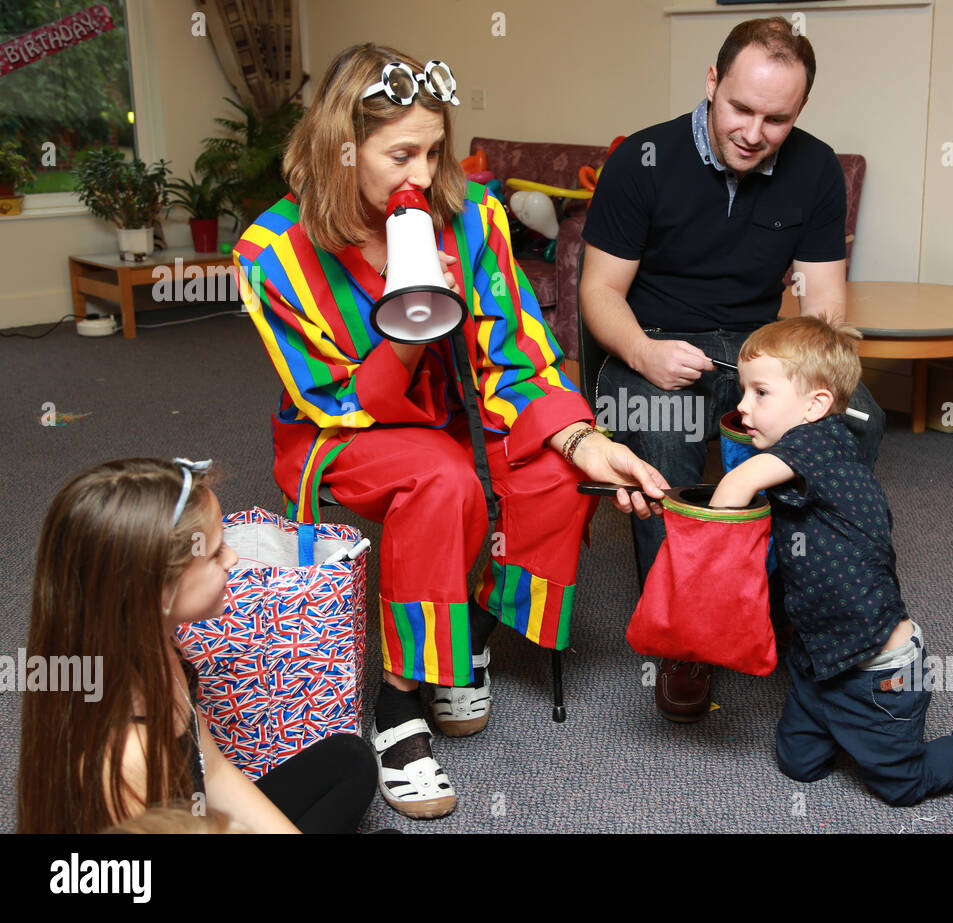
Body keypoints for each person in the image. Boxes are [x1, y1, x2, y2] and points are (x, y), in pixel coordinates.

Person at [234, 44, 667, 819]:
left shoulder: (470, 216)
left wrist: (583, 439)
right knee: (444, 478)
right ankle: (399, 702)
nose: (425, 175)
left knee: (551, 467)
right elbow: (338, 399)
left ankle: (466, 623)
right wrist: (409, 317)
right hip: (339, 430)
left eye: (435, 150)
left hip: (444, 412)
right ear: (342, 148)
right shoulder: (272, 253)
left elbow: (518, 354)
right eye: (401, 153)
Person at [581, 17, 884, 720]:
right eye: (741, 108)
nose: (754, 131)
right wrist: (643, 353)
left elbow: (824, 302)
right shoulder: (642, 159)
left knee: (861, 419)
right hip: (651, 341)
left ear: (799, 112)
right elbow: (598, 293)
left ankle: (793, 587)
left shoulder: (814, 169)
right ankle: (684, 636)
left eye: (776, 118)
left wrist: (808, 379)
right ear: (712, 83)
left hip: (758, 348)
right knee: (660, 437)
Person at [709, 317, 953, 806]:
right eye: (743, 391)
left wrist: (699, 537)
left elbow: (738, 486)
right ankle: (833, 720)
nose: (742, 406)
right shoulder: (812, 444)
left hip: (879, 672)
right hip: (817, 658)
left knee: (901, 785)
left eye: (760, 392)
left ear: (816, 405)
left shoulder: (816, 442)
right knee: (798, 766)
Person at [18, 458, 378, 834]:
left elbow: (215, 771)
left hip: (195, 816)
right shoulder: (129, 761)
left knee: (349, 759)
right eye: (216, 552)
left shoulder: (160, 646)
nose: (233, 558)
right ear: (159, 587)